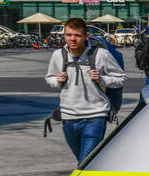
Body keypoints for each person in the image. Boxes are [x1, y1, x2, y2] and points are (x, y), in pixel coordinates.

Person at [45, 17, 126, 162]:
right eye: (69, 35)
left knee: (85, 161)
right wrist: (57, 80)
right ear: (64, 35)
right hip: (68, 117)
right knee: (84, 163)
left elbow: (121, 78)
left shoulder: (101, 55)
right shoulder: (58, 55)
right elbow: (49, 78)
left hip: (95, 116)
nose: (72, 39)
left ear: (85, 36)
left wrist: (102, 79)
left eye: (77, 35)